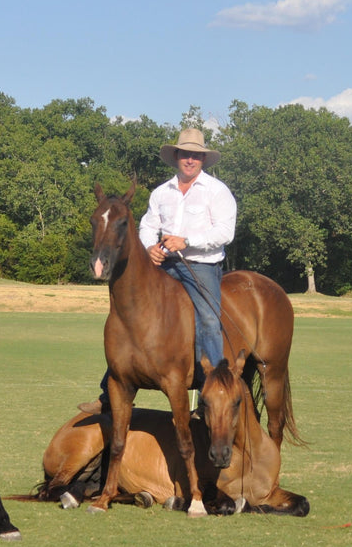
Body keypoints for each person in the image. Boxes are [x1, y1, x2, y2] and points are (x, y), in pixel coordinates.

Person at [78, 128, 237, 415]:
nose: (190, 159)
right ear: (176, 157)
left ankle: (212, 393)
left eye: (196, 155)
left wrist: (187, 241)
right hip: (164, 263)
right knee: (127, 322)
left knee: (209, 321)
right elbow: (148, 226)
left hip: (201, 265)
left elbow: (225, 232)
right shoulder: (161, 193)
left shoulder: (217, 191)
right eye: (185, 154)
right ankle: (107, 394)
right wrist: (150, 246)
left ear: (203, 159)